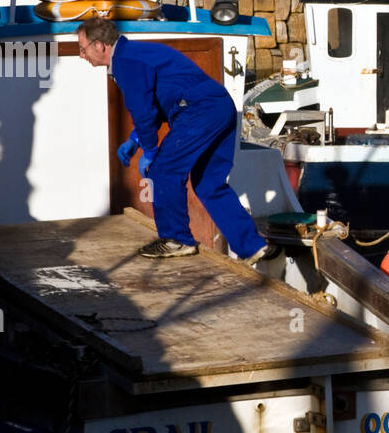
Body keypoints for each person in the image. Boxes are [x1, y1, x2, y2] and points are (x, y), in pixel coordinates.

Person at [76, 18, 278, 263]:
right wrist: (136, 138)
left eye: (83, 48)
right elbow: (157, 100)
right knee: (208, 183)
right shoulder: (136, 53)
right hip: (220, 106)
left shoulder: (125, 62)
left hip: (199, 110)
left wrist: (149, 150)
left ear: (99, 45)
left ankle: (176, 239)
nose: (81, 54)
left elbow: (143, 111)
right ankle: (251, 245)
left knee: (163, 170)